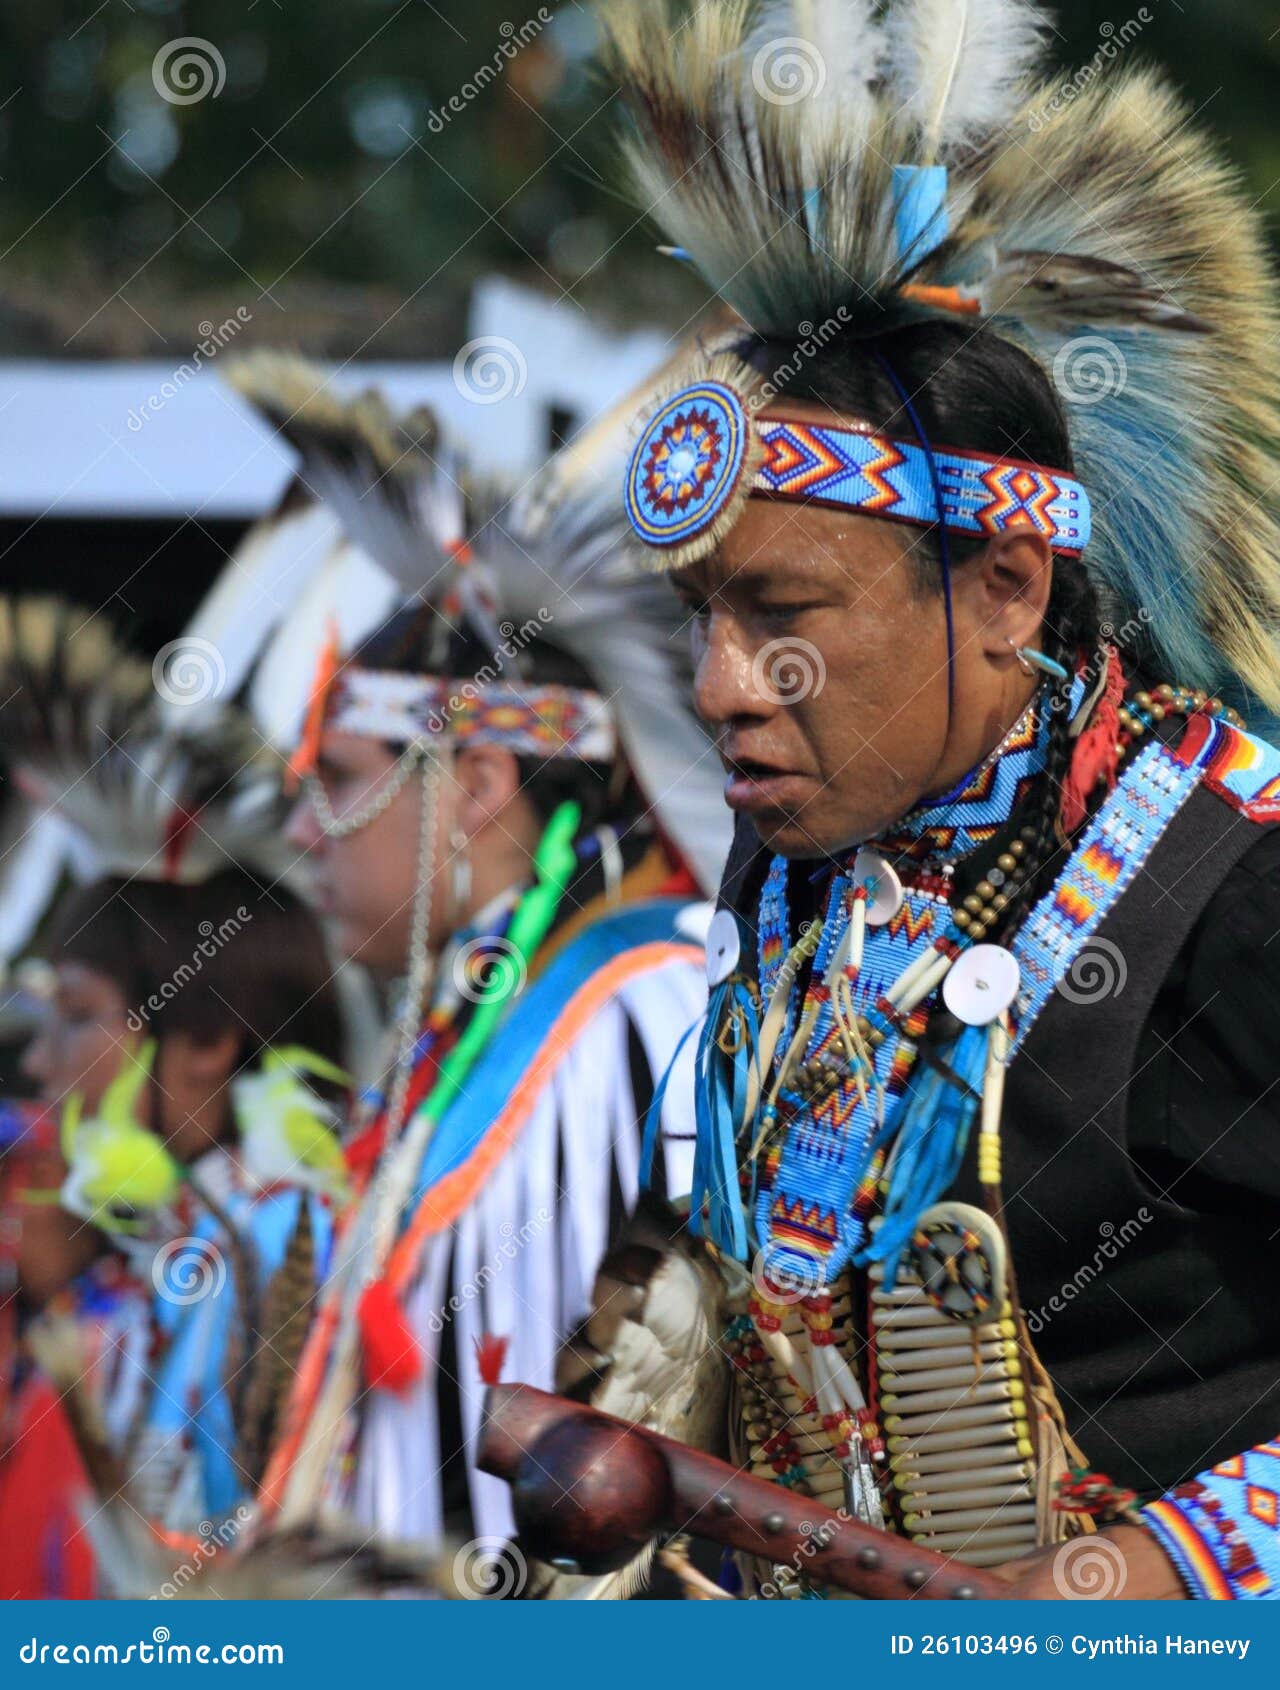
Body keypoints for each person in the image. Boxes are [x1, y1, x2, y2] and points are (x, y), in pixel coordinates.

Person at [516, 0, 1280, 1601]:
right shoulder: (804, 870)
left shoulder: (1228, 887)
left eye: (784, 614)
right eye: (701, 621)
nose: (724, 684)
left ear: (1006, 587)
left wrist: (1150, 1568)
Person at [224, 353, 731, 1556]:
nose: (303, 831)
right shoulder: (470, 1026)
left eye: (339, 782)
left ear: (480, 784)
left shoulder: (654, 1003)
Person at [0, 599, 347, 1583]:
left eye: (75, 1014)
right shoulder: (148, 1258)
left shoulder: (281, 1240)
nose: (39, 1063)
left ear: (200, 1044)